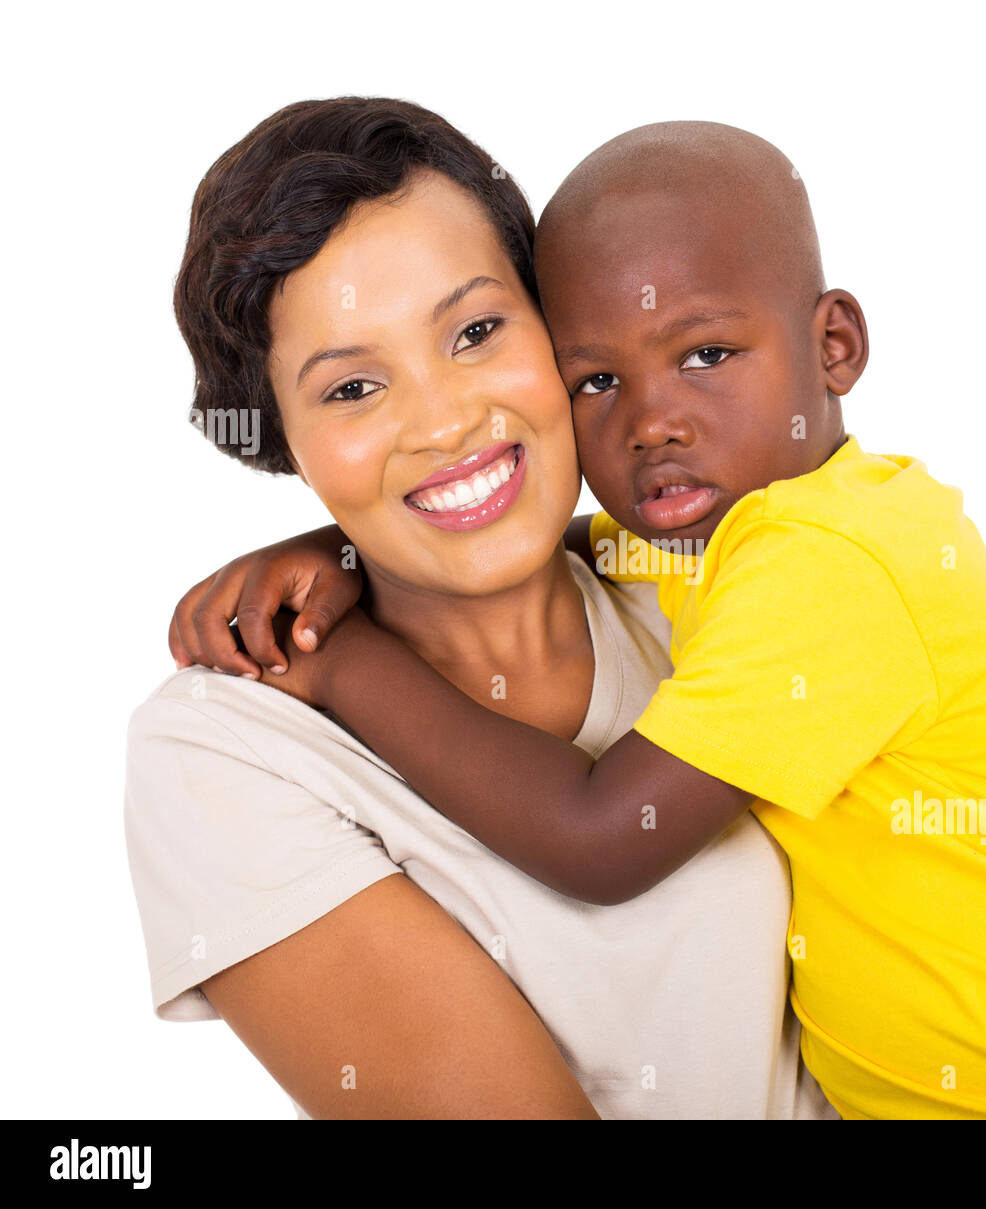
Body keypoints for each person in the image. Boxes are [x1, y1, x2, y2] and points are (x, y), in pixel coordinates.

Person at [178, 121, 986, 1120]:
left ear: (835, 345)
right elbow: (549, 539)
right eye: (598, 379)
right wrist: (340, 553)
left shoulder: (827, 568)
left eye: (707, 355)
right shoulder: (734, 539)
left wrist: (339, 664)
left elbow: (599, 838)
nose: (652, 421)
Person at [127, 97, 838, 1121]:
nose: (448, 420)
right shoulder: (229, 747)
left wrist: (341, 569)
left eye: (474, 330)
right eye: (351, 390)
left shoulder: (709, 581)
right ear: (284, 441)